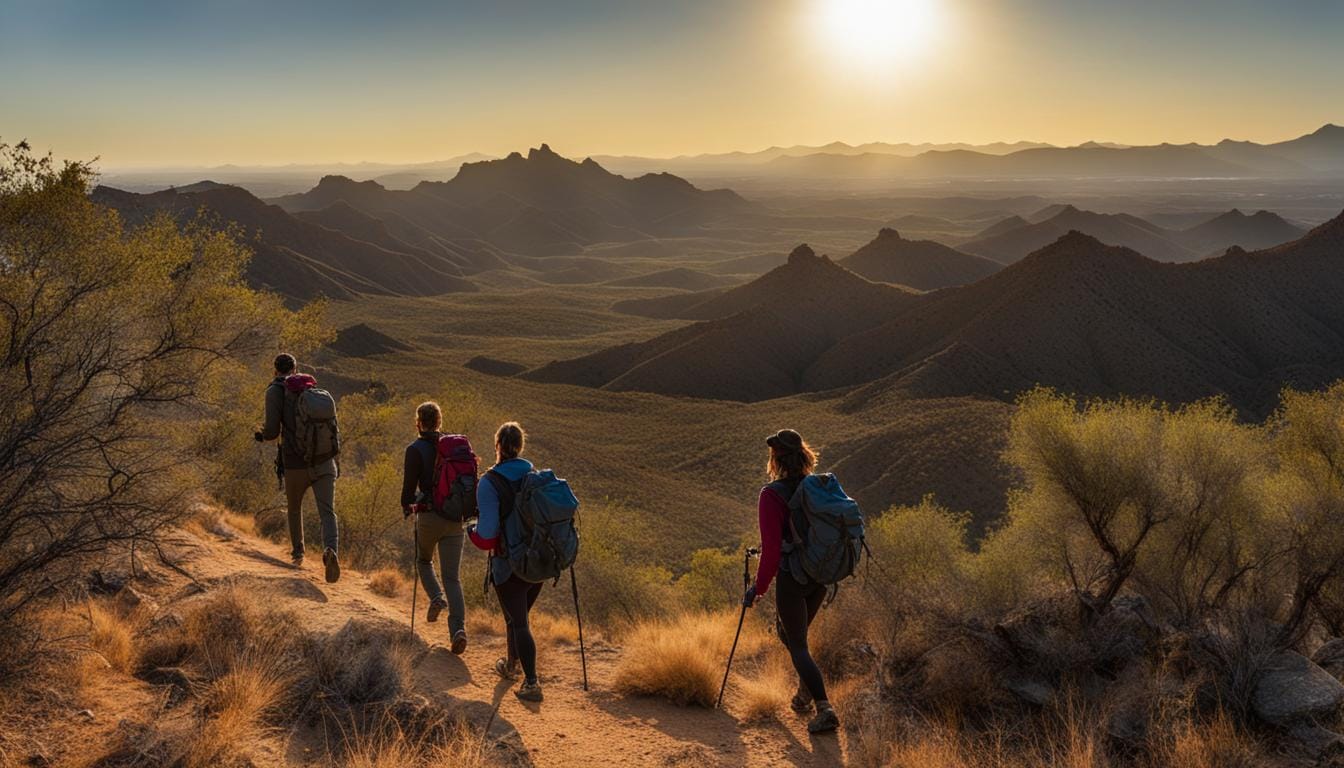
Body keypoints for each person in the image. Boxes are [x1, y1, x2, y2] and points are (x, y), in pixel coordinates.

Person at [743, 428, 839, 734]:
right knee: (791, 634)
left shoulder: (771, 495)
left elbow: (772, 550)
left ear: (776, 458)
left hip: (793, 578)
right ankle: (804, 693)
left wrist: (758, 588)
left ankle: (825, 708)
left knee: (796, 643)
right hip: (820, 575)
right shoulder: (818, 486)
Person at [468, 421, 544, 703]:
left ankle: (532, 683)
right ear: (520, 446)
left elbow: (487, 536)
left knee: (519, 621)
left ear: (497, 446)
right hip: (537, 564)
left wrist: (470, 530)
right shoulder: (534, 476)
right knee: (516, 616)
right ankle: (511, 666)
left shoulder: (489, 482)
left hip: (508, 565)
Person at [255, 353, 340, 582]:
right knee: (327, 512)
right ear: (295, 368)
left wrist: (261, 434)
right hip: (324, 461)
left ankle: (298, 553)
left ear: (275, 370)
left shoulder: (274, 391)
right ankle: (331, 550)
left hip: (295, 463)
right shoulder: (311, 390)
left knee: (294, 508)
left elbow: (272, 431)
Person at [401, 401, 469, 654]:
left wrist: (407, 507)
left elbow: (408, 490)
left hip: (429, 516)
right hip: (455, 519)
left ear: (418, 422)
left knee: (423, 561)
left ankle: (436, 597)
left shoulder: (415, 449)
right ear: (439, 421)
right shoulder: (454, 449)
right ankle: (458, 630)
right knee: (453, 577)